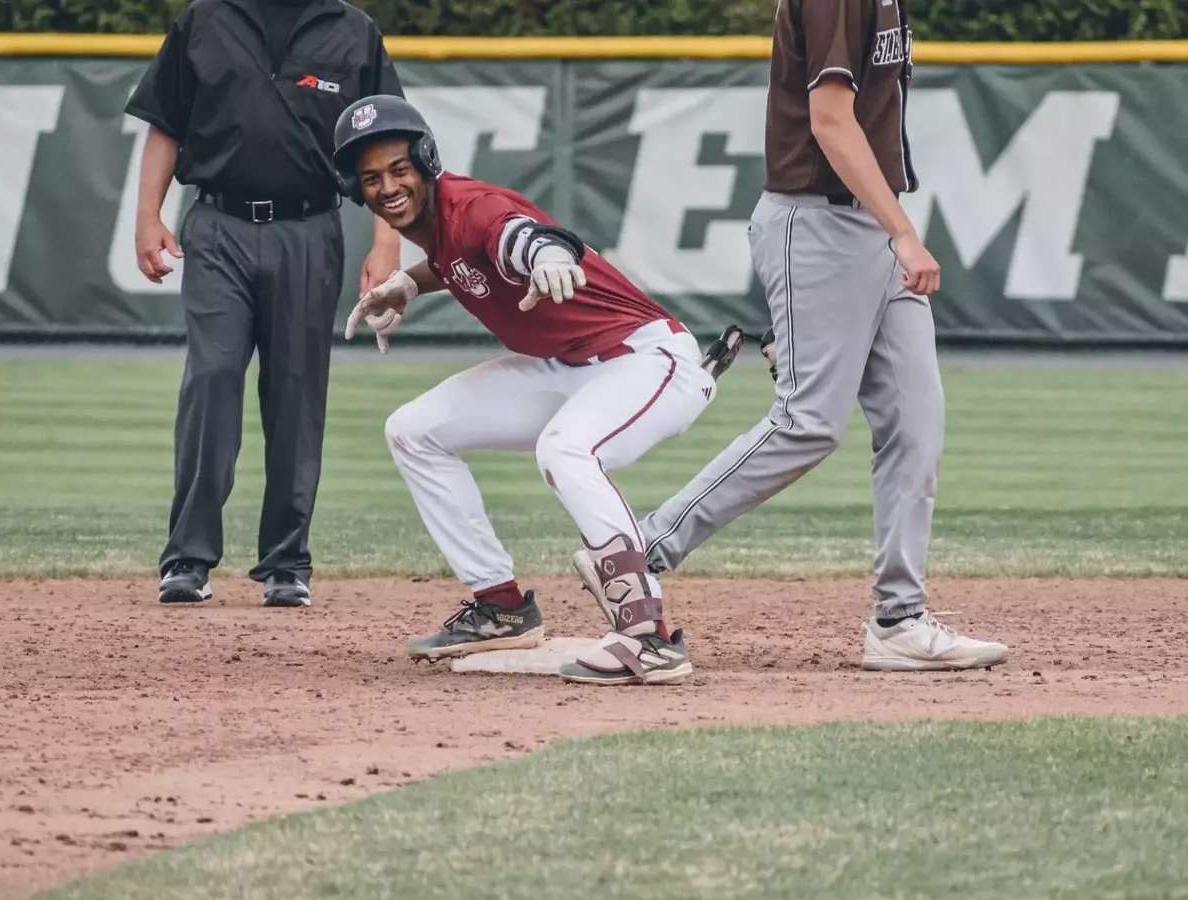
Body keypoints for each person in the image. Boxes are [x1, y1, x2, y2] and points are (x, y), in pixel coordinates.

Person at [603, 0, 1010, 671]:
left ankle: (898, 621)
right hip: (818, 223)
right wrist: (904, 233)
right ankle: (638, 553)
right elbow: (828, 120)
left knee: (916, 421)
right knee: (808, 422)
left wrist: (893, 229)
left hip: (870, 225)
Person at [332, 95, 744, 686]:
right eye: (371, 178)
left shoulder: (471, 207)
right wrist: (410, 283)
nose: (388, 186)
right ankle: (500, 607)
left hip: (648, 360)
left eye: (399, 169)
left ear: (425, 161)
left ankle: (649, 639)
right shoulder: (438, 229)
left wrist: (546, 252)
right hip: (568, 367)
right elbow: (458, 258)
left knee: (565, 450)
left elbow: (517, 235)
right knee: (412, 430)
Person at [126, 0, 406, 608]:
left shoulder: (353, 32)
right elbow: (165, 124)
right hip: (218, 223)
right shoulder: (205, 21)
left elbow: (385, 144)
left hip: (308, 229)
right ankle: (188, 558)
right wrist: (147, 216)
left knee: (296, 392)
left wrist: (387, 244)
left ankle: (286, 563)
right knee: (213, 376)